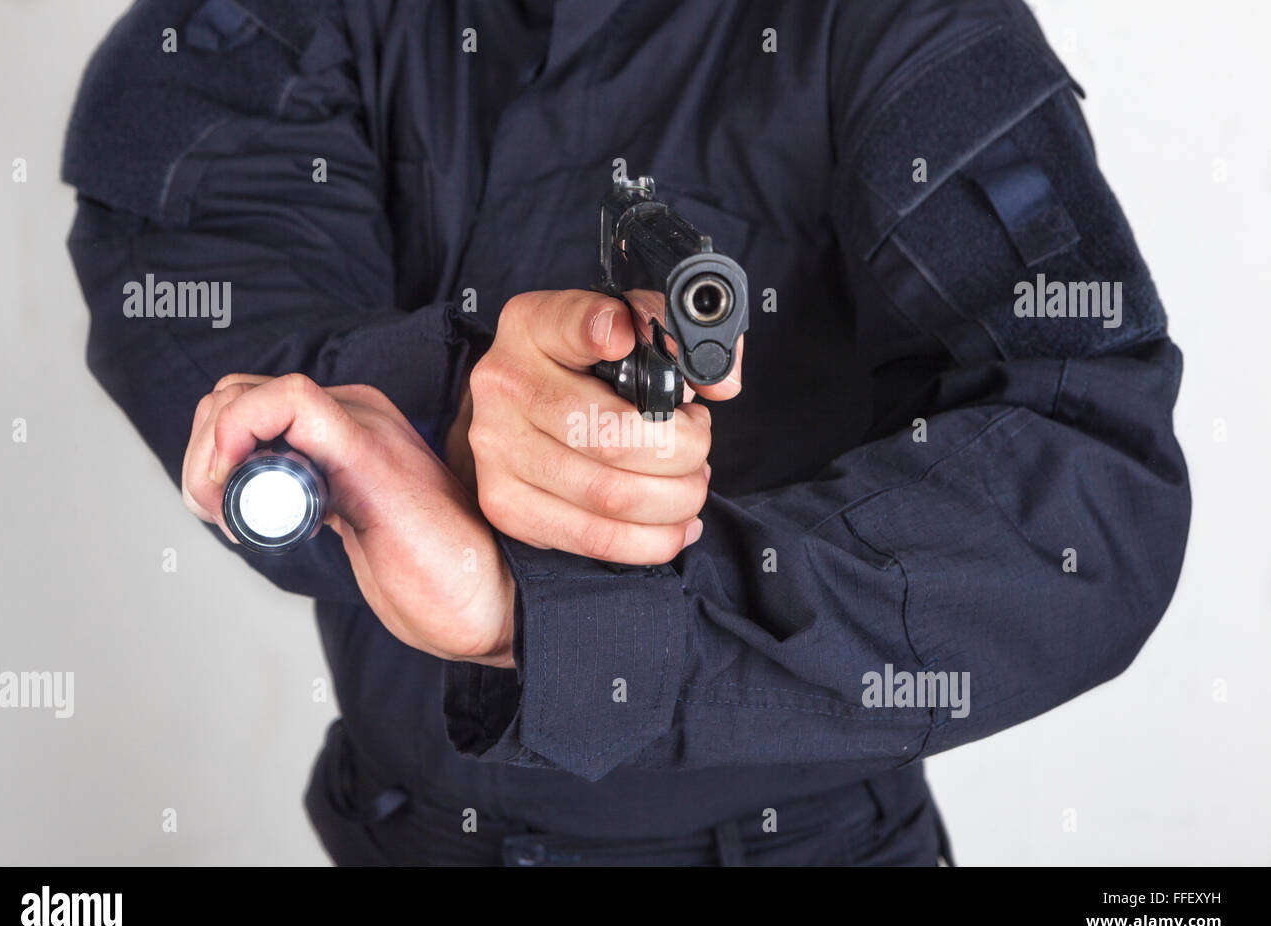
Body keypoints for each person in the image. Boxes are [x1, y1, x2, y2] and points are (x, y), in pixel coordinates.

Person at [64, 0, 1190, 866]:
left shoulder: (888, 23)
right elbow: (214, 312)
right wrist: (449, 414)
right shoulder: (260, 31)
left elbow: (1089, 484)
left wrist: (576, 622)